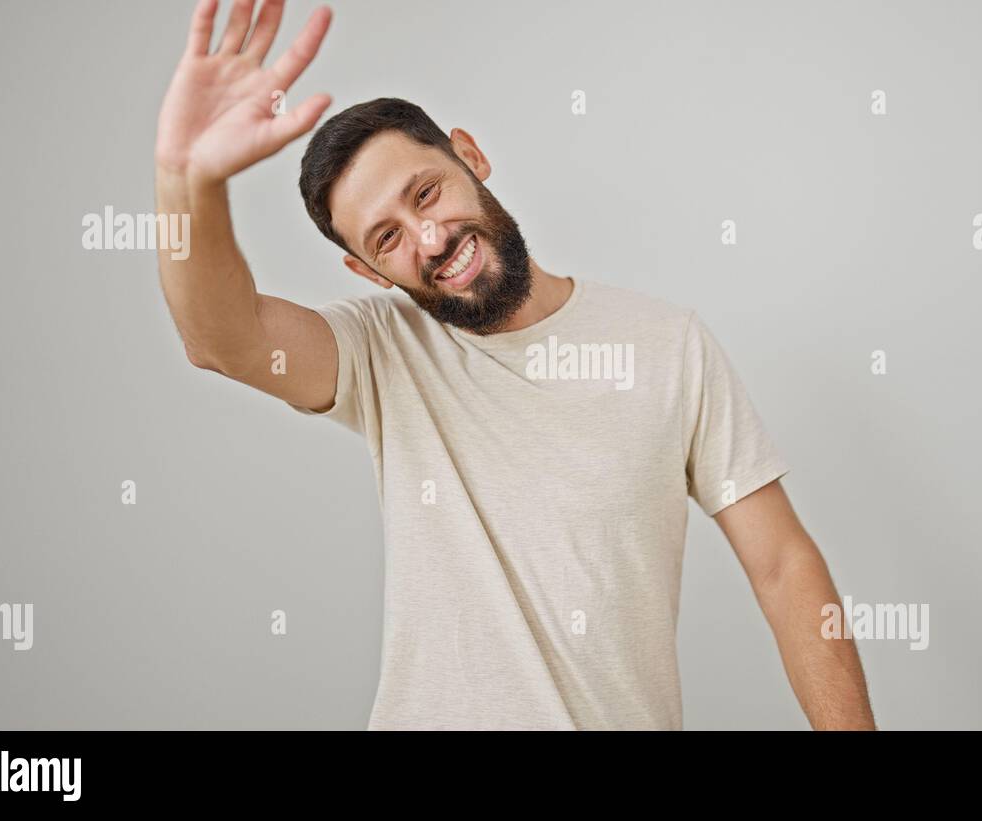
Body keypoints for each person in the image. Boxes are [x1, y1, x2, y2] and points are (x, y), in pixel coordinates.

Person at [154, 0, 876, 730]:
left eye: (426, 193)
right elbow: (222, 337)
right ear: (368, 272)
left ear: (470, 155)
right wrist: (186, 182)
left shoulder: (667, 344)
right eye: (388, 238)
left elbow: (784, 567)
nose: (430, 238)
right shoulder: (381, 352)